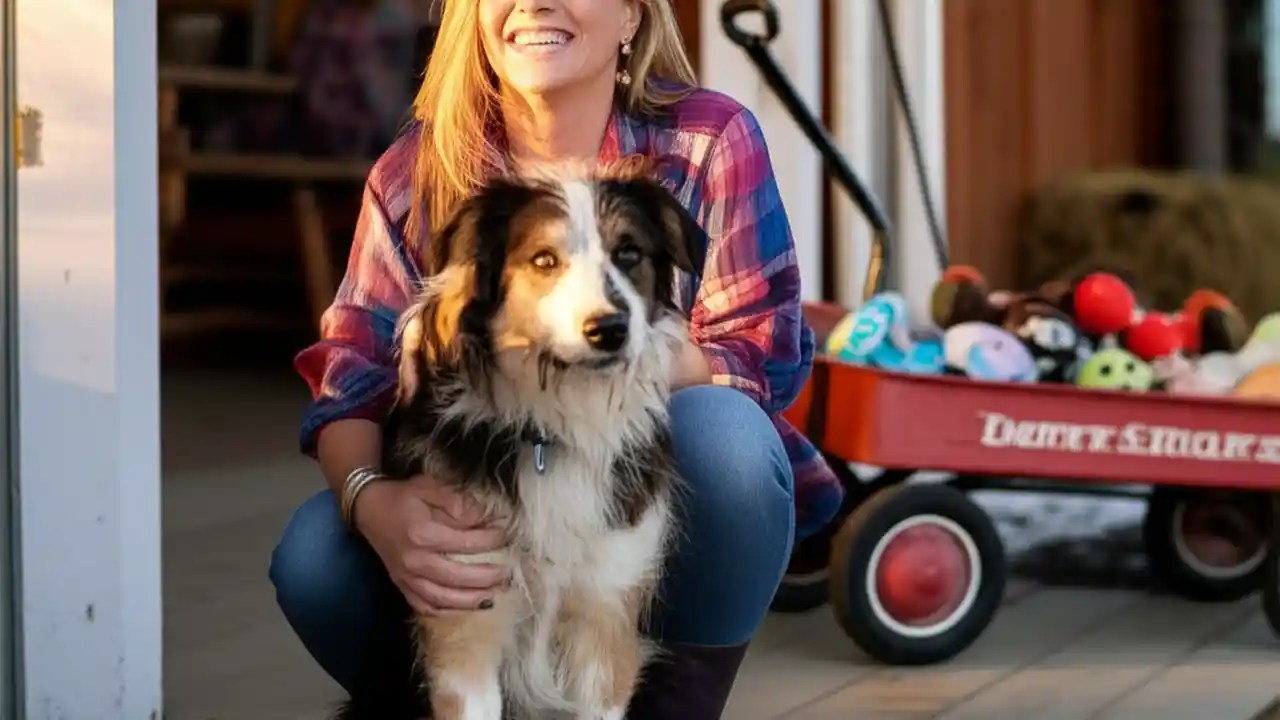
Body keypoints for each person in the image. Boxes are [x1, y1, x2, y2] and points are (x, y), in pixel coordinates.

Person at [270, 0, 845, 716]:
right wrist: (370, 498)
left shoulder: (706, 138)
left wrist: (603, 354)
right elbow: (352, 381)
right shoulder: (413, 172)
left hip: (643, 467)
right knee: (316, 553)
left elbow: (763, 348)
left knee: (725, 437)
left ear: (633, 16)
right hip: (478, 459)